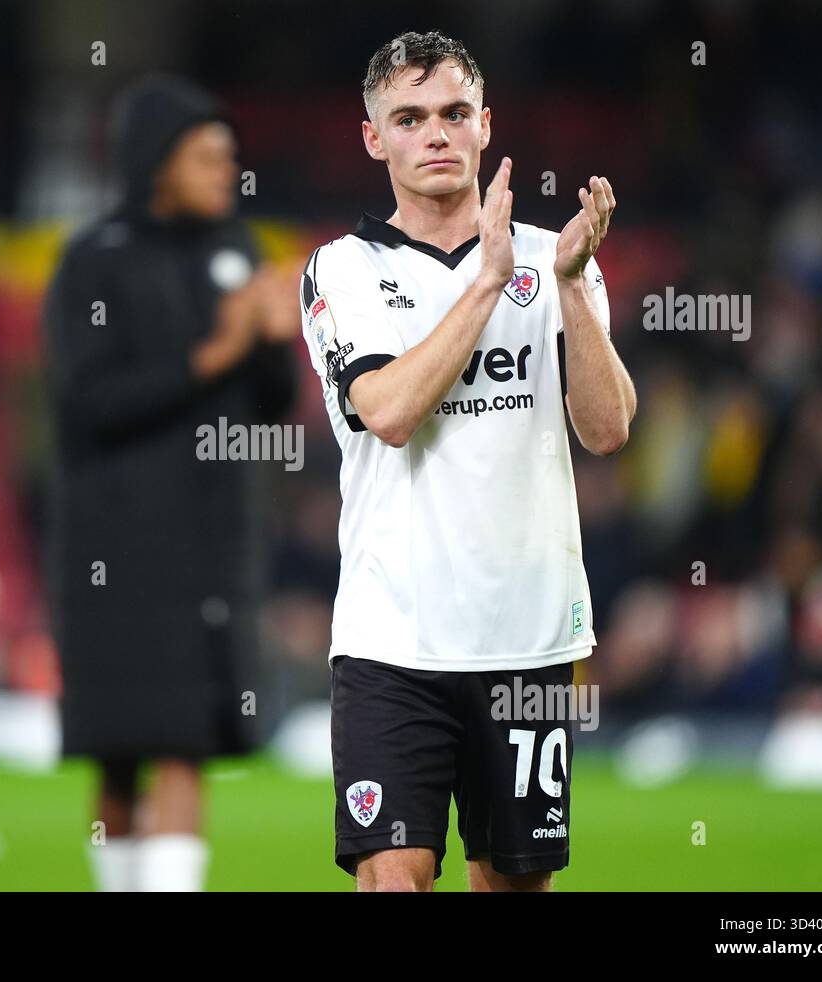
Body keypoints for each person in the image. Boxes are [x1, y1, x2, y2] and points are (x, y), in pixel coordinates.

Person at [302, 32, 636, 892]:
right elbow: (390, 413)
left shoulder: (553, 259)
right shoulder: (344, 270)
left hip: (527, 637)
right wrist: (486, 282)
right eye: (409, 118)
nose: (436, 134)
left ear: (486, 125)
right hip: (392, 639)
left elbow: (607, 431)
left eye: (454, 114)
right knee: (392, 878)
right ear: (375, 138)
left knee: (514, 884)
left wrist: (566, 286)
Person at [44, 75, 298, 892]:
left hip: (212, 541)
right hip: (111, 546)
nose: (227, 171)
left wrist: (270, 344)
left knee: (189, 740)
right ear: (156, 162)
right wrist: (213, 356)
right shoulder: (93, 260)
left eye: (230, 155)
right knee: (117, 754)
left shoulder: (240, 250)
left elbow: (274, 403)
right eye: (207, 155)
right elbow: (86, 405)